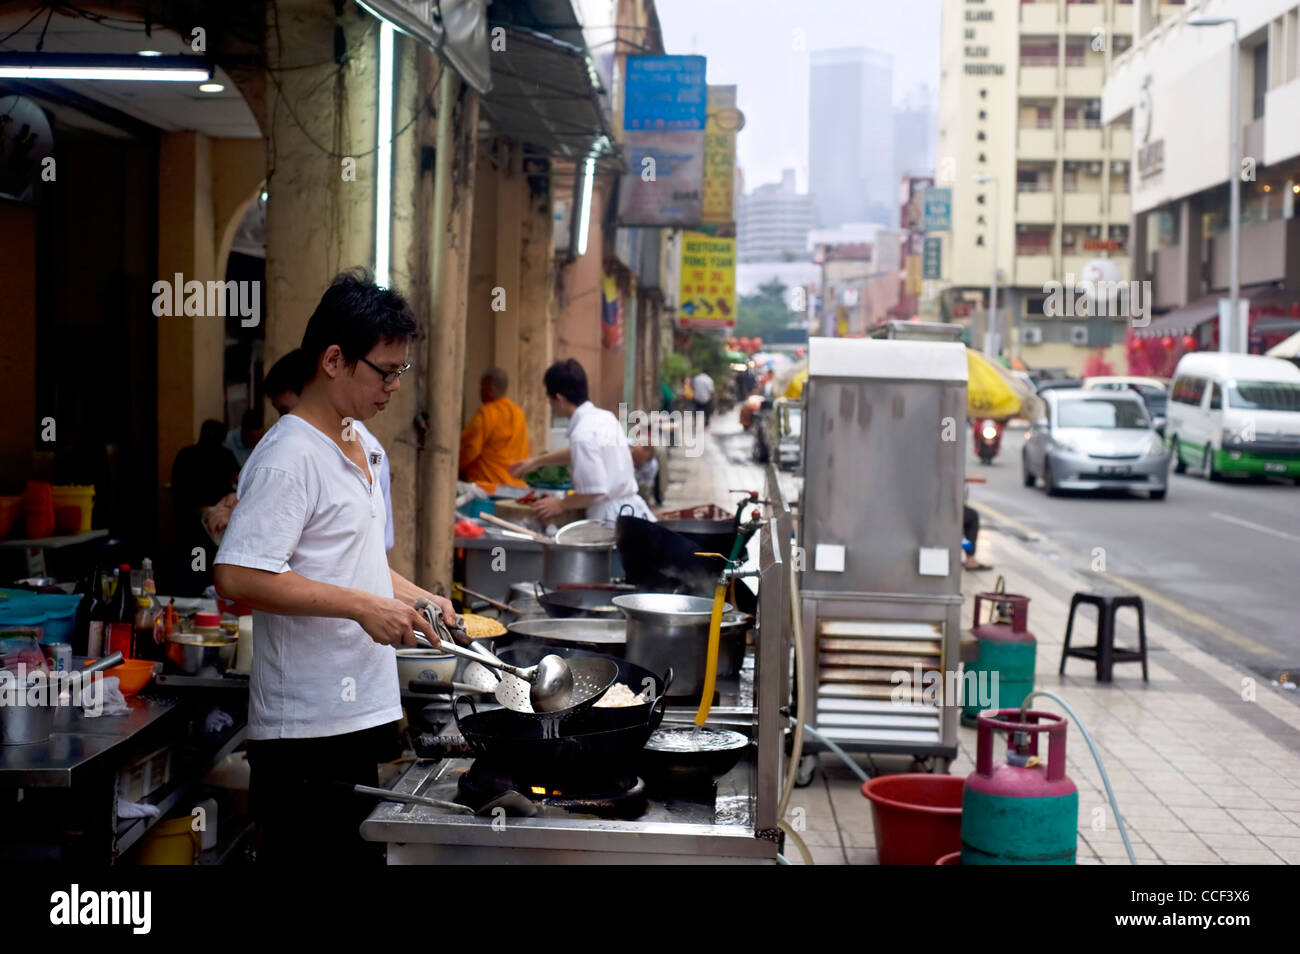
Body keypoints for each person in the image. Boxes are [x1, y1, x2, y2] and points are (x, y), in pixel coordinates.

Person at [213, 269, 457, 865]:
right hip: (302, 733)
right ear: (333, 360)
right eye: (384, 370)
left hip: (357, 714)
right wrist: (362, 607)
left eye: (401, 371)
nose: (394, 386)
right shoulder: (289, 455)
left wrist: (418, 596)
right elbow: (238, 575)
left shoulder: (367, 447)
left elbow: (361, 565)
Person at [215, 349, 397, 553]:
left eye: (286, 410)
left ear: (312, 393)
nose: (284, 421)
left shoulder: (368, 453)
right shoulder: (282, 451)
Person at [507, 358, 656, 524]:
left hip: (609, 519)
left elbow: (594, 490)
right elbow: (581, 453)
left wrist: (560, 504)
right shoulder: (605, 417)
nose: (551, 406)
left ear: (559, 398)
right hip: (630, 509)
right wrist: (537, 461)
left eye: (550, 400)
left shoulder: (582, 434)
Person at [170, 419, 240, 595]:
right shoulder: (225, 456)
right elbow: (239, 482)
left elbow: (177, 490)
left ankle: (195, 595)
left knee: (196, 568)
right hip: (218, 528)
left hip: (193, 527)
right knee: (211, 568)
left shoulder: (186, 455)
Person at [458, 367, 531, 491]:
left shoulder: (486, 414)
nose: (480, 391)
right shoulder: (519, 414)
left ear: (490, 389)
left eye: (482, 387)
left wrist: (454, 465)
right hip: (515, 487)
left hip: (486, 487)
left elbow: (470, 449)